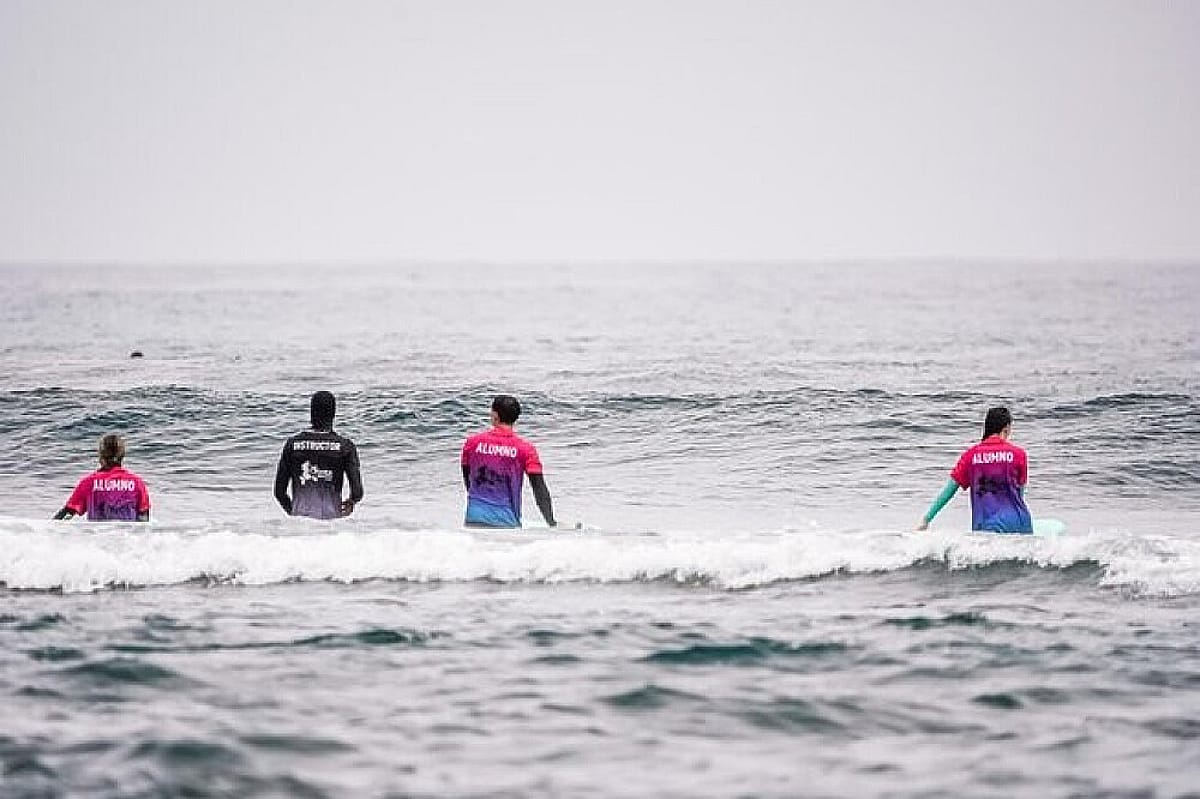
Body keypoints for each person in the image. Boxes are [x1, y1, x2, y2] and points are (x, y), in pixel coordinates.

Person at [918, 406, 1033, 533]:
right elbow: (1019, 494)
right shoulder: (1019, 454)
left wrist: (926, 519)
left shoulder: (970, 456)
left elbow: (949, 491)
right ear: (1005, 429)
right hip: (1020, 523)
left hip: (988, 527)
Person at [461, 395, 556, 528]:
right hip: (506, 522)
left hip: (474, 519)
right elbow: (539, 489)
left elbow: (469, 481)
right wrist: (551, 523)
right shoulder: (526, 449)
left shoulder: (472, 443)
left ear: (495, 415)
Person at [274, 391, 363, 519]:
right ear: (333, 414)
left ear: (311, 414)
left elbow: (279, 492)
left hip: (300, 524)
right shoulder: (345, 446)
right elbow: (357, 492)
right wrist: (351, 502)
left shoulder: (292, 444)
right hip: (331, 523)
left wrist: (294, 512)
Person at [54, 434, 151, 521]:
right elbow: (144, 520)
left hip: (98, 538)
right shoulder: (137, 483)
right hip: (126, 538)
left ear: (101, 456)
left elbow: (67, 513)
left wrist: (47, 534)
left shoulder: (89, 482)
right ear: (122, 456)